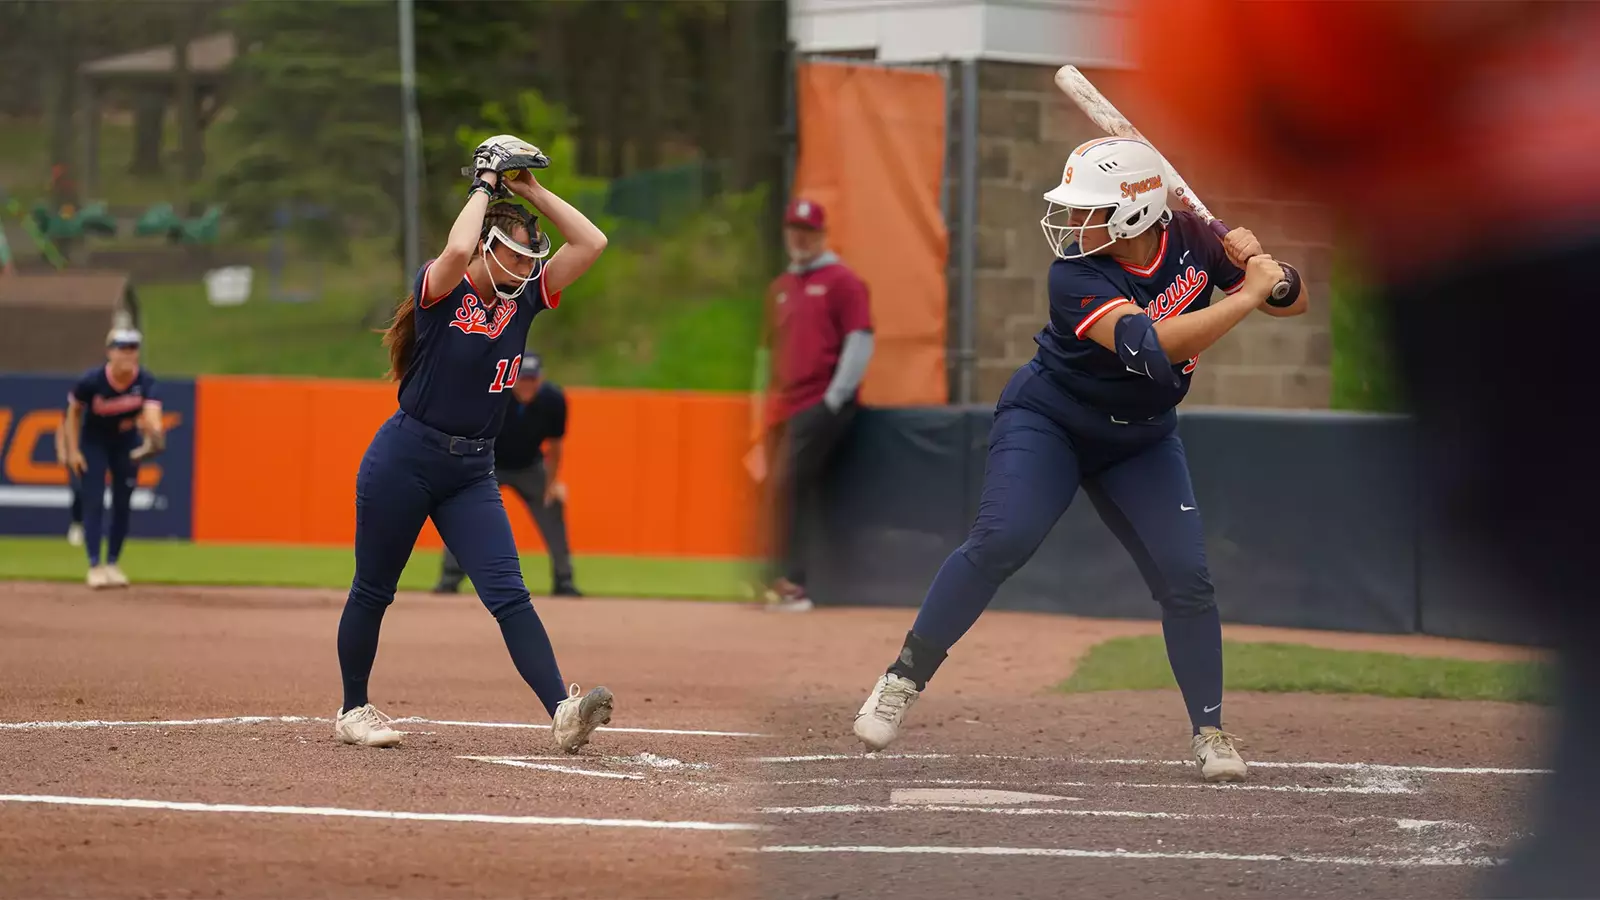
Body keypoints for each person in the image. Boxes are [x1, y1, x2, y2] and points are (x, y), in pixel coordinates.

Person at [1126, 0, 1598, 889]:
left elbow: (1289, 292)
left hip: (1489, 249)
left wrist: (1264, 274)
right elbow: (1161, 336)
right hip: (1091, 423)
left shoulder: (1208, 224)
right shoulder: (1090, 270)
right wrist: (1250, 283)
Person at [850, 136, 1309, 782]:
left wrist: (1273, 274)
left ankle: (1210, 732)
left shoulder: (1197, 240)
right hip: (1052, 421)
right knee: (1001, 539)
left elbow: (1296, 301)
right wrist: (1245, 296)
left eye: (1089, 210)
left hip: (1142, 437)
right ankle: (901, 680)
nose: (1073, 222)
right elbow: (1151, 348)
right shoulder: (1073, 275)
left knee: (1187, 577)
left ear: (1132, 213)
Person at [334, 135, 610, 753]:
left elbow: (592, 244)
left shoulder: (525, 301)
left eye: (528, 255)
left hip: (471, 470)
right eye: (513, 253)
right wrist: (483, 186)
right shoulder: (444, 291)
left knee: (508, 593)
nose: (525, 266)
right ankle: (354, 707)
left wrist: (530, 191)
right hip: (405, 458)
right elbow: (458, 246)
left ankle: (561, 712)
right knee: (375, 587)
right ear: (488, 249)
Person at [751, 197, 875, 612]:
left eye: (807, 232)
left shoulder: (842, 281)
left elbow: (860, 340)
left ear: (821, 235)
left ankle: (792, 583)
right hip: (784, 406)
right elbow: (767, 354)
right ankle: (777, 578)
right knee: (782, 487)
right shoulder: (781, 288)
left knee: (787, 482)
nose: (800, 239)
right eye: (794, 231)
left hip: (820, 400)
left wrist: (833, 400)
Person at [433, 351, 581, 598]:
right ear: (512, 378)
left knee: (553, 507)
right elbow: (470, 432)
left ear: (541, 379)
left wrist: (552, 483)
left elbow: (555, 446)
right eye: (522, 379)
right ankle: (449, 578)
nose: (527, 385)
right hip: (489, 463)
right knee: (466, 514)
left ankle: (563, 580)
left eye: (532, 379)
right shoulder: (494, 397)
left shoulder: (553, 400)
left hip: (530, 466)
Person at [60, 328, 166, 589]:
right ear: (110, 352)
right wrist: (73, 451)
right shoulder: (92, 381)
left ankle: (113, 563)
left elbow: (153, 412)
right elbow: (73, 414)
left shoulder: (145, 381)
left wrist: (154, 432)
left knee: (122, 503)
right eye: (122, 348)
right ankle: (95, 565)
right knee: (93, 500)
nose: (128, 354)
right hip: (93, 442)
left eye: (133, 348)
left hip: (125, 443)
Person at [53, 426, 85, 547]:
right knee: (78, 490)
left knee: (94, 494)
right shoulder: (73, 408)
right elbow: (62, 428)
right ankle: (77, 524)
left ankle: (92, 527)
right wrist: (61, 451)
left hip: (94, 453)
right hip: (75, 455)